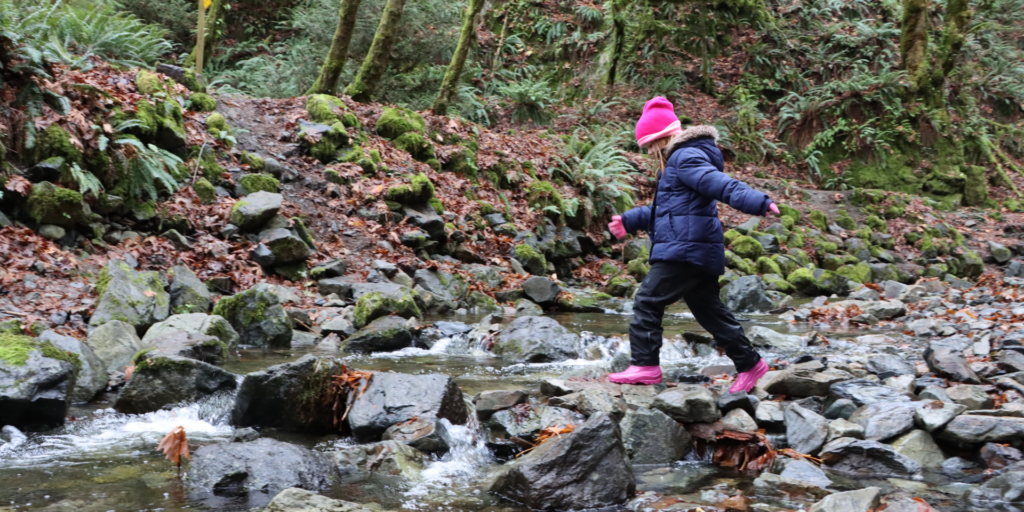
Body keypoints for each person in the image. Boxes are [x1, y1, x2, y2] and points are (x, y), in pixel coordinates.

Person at [607, 96, 780, 393]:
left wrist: (758, 201)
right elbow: (666, 211)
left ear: (664, 137)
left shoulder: (684, 158)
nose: (650, 152)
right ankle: (751, 365)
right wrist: (630, 220)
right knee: (709, 311)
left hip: (684, 250)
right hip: (697, 248)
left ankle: (645, 364)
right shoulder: (680, 161)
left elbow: (720, 184)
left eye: (651, 145)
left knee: (648, 301)